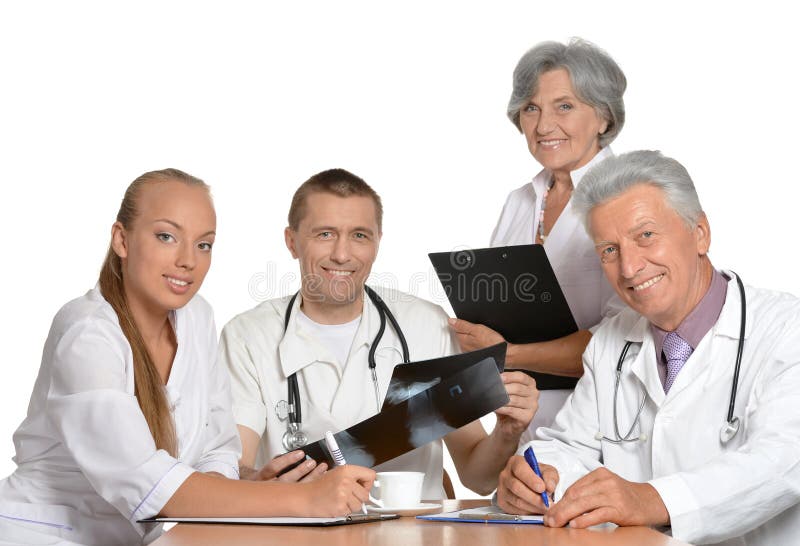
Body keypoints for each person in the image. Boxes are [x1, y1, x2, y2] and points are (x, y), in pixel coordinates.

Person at [0, 169, 375, 546]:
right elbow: (145, 483)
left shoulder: (196, 318)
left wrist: (243, 493)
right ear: (122, 239)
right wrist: (301, 499)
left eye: (204, 245)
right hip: (43, 534)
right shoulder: (87, 335)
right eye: (166, 236)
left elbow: (217, 450)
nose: (187, 261)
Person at [496, 150, 800, 545]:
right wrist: (536, 477)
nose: (628, 268)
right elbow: (570, 446)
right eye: (609, 250)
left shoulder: (786, 328)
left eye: (646, 236)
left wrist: (651, 500)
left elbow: (783, 462)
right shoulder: (611, 341)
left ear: (700, 233)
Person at [220, 168, 539, 499]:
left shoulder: (426, 324)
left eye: (359, 235)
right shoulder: (248, 336)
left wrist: (507, 431)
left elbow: (478, 478)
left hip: (412, 535)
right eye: (325, 234)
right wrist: (258, 482)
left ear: (377, 242)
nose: (342, 254)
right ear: (292, 241)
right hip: (303, 530)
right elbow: (233, 467)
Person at [449, 38, 627, 437]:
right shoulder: (520, 201)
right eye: (531, 108)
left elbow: (628, 340)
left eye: (564, 106)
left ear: (603, 117)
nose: (544, 126)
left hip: (602, 428)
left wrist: (507, 354)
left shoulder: (628, 197)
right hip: (518, 425)